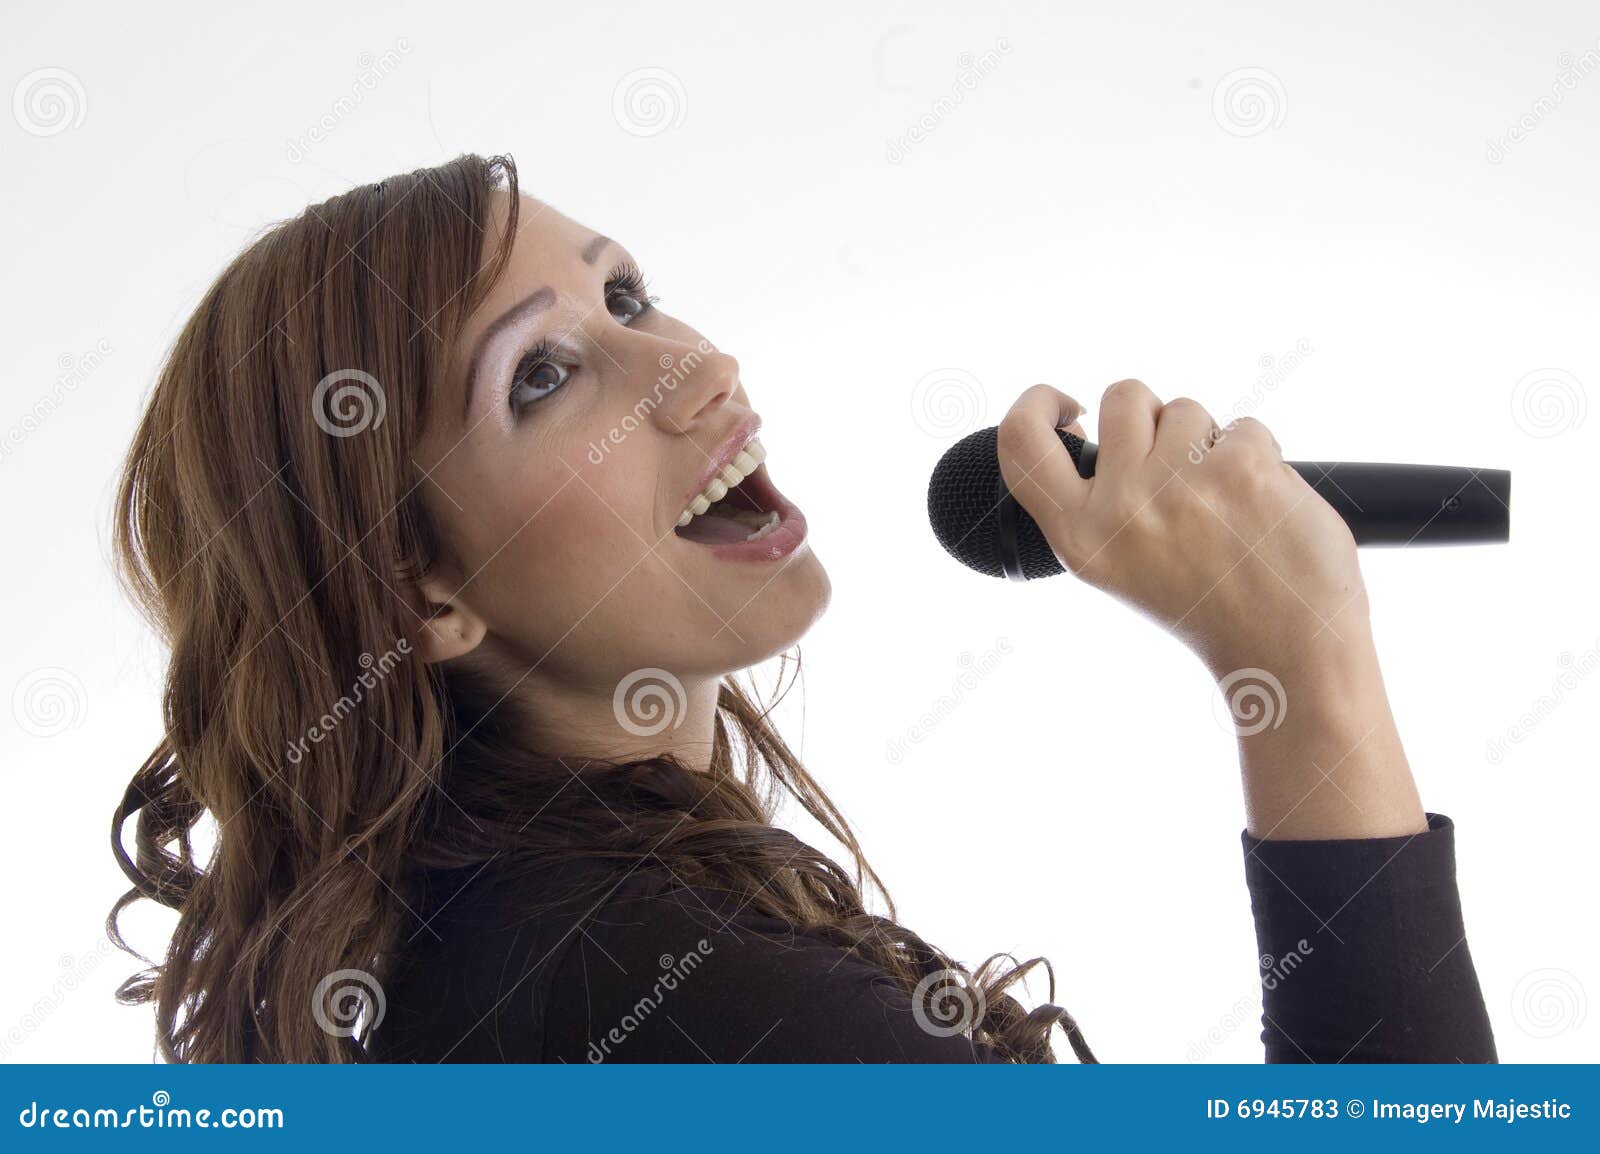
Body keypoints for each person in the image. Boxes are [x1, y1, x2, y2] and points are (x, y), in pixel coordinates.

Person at [108, 153, 1494, 1063]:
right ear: (425, 591)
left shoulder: (480, 954)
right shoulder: (688, 1002)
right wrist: (1305, 668)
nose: (694, 364)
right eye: (543, 375)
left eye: (629, 293)